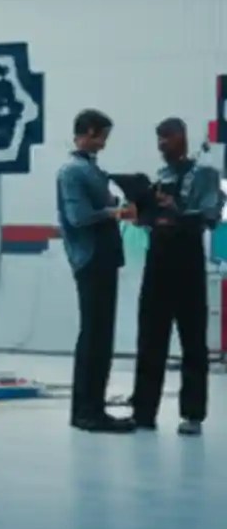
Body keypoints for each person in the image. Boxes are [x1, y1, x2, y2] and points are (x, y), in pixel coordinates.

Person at [130, 118, 223, 436]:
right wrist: (144, 213)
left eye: (166, 139)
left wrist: (177, 209)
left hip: (188, 262)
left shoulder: (206, 175)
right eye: (158, 140)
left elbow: (211, 216)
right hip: (157, 260)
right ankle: (143, 411)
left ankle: (193, 414)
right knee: (150, 338)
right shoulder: (160, 177)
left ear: (182, 137)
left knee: (193, 340)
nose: (161, 146)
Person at [57, 109, 137, 433]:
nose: (104, 143)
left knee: (100, 337)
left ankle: (91, 408)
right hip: (91, 260)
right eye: (102, 135)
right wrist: (116, 211)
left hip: (101, 258)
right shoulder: (73, 172)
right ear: (89, 132)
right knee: (94, 337)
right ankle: (88, 412)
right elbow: (78, 216)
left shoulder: (90, 170)